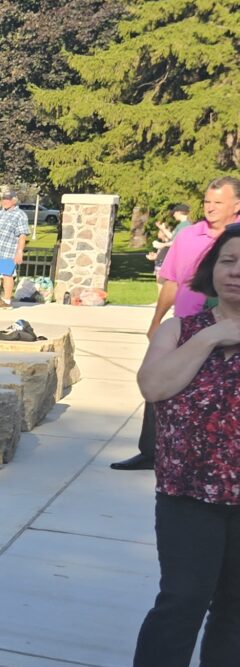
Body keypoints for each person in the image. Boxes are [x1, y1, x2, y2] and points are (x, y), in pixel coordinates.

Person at [120, 225, 240, 667]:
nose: (236, 272)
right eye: (229, 261)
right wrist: (214, 336)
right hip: (190, 488)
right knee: (182, 597)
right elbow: (153, 387)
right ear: (212, 269)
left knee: (236, 603)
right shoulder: (181, 328)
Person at [114, 178, 238, 471]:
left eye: (218, 203)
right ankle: (151, 452)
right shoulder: (188, 236)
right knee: (163, 384)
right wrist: (157, 321)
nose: (210, 208)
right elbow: (172, 281)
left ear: (236, 205)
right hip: (187, 323)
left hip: (231, 324)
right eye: (207, 201)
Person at [0, 193, 30, 307]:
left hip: (9, 250)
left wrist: (20, 252)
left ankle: (7, 300)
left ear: (14, 201)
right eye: (3, 199)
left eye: (8, 199)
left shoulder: (20, 215)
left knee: (7, 274)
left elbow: (22, 235)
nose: (5, 201)